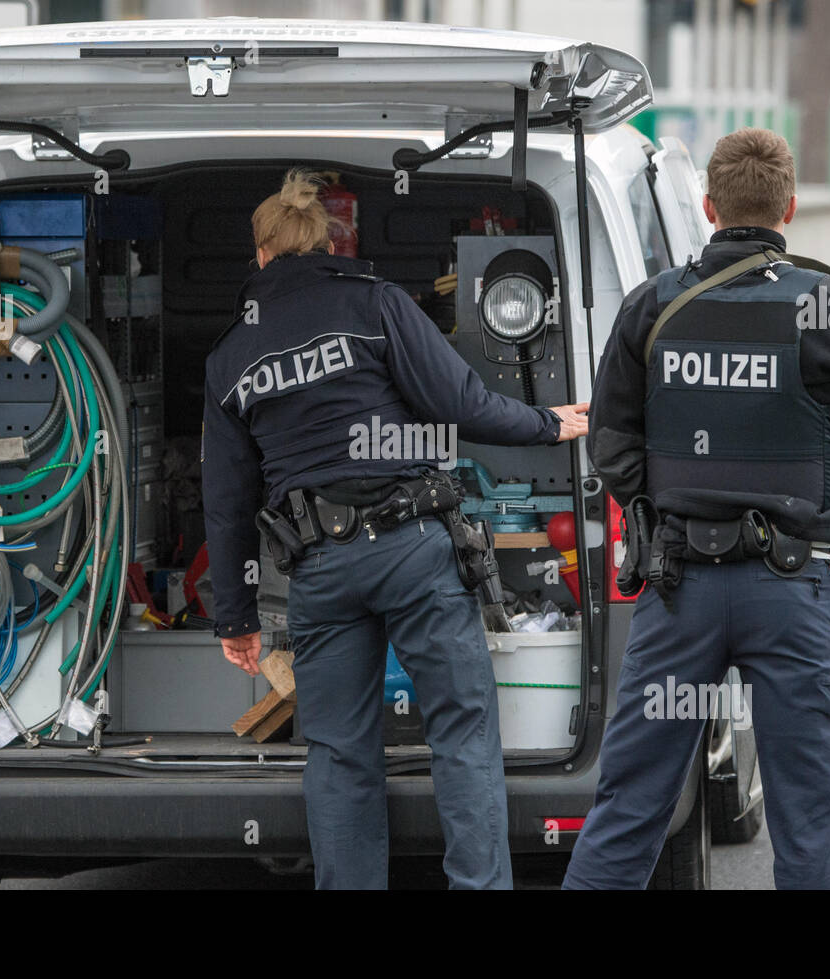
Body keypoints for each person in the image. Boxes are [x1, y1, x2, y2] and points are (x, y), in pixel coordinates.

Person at [201, 169, 589, 889]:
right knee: (462, 732)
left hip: (319, 566)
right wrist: (547, 422)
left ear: (260, 255)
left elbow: (226, 501)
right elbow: (461, 403)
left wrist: (235, 616)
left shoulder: (230, 357)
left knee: (341, 755)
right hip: (411, 549)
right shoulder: (374, 304)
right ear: (328, 243)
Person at [562, 128, 830, 890]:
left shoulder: (656, 303)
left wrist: (658, 503)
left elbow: (611, 439)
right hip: (792, 585)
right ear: (789, 206)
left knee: (627, 813)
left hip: (679, 587)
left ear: (710, 206)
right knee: (812, 825)